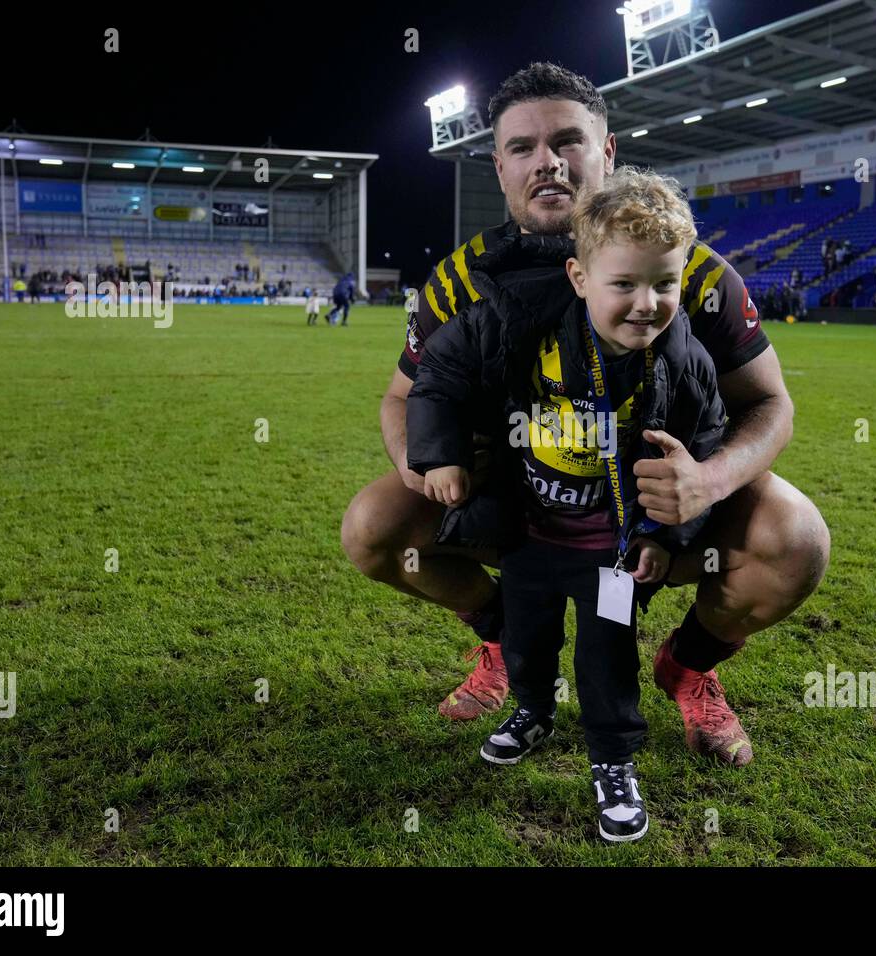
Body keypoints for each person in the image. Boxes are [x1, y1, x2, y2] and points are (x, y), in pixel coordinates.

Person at [340, 62, 829, 766]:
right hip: (521, 513)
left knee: (797, 538)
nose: (547, 162)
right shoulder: (458, 281)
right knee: (374, 527)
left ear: (607, 151)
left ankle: (687, 666)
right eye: (522, 147)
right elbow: (401, 397)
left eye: (568, 141)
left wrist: (711, 481)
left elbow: (771, 403)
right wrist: (424, 466)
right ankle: (506, 645)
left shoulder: (691, 273)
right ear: (499, 166)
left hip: (659, 519)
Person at [407, 169, 724, 841]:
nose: (647, 304)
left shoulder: (683, 358)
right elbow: (438, 373)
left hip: (612, 552)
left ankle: (613, 759)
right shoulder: (517, 322)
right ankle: (532, 710)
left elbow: (702, 444)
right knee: (525, 639)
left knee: (607, 655)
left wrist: (666, 536)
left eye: (665, 284)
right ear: (579, 278)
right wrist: (438, 453)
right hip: (529, 535)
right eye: (624, 284)